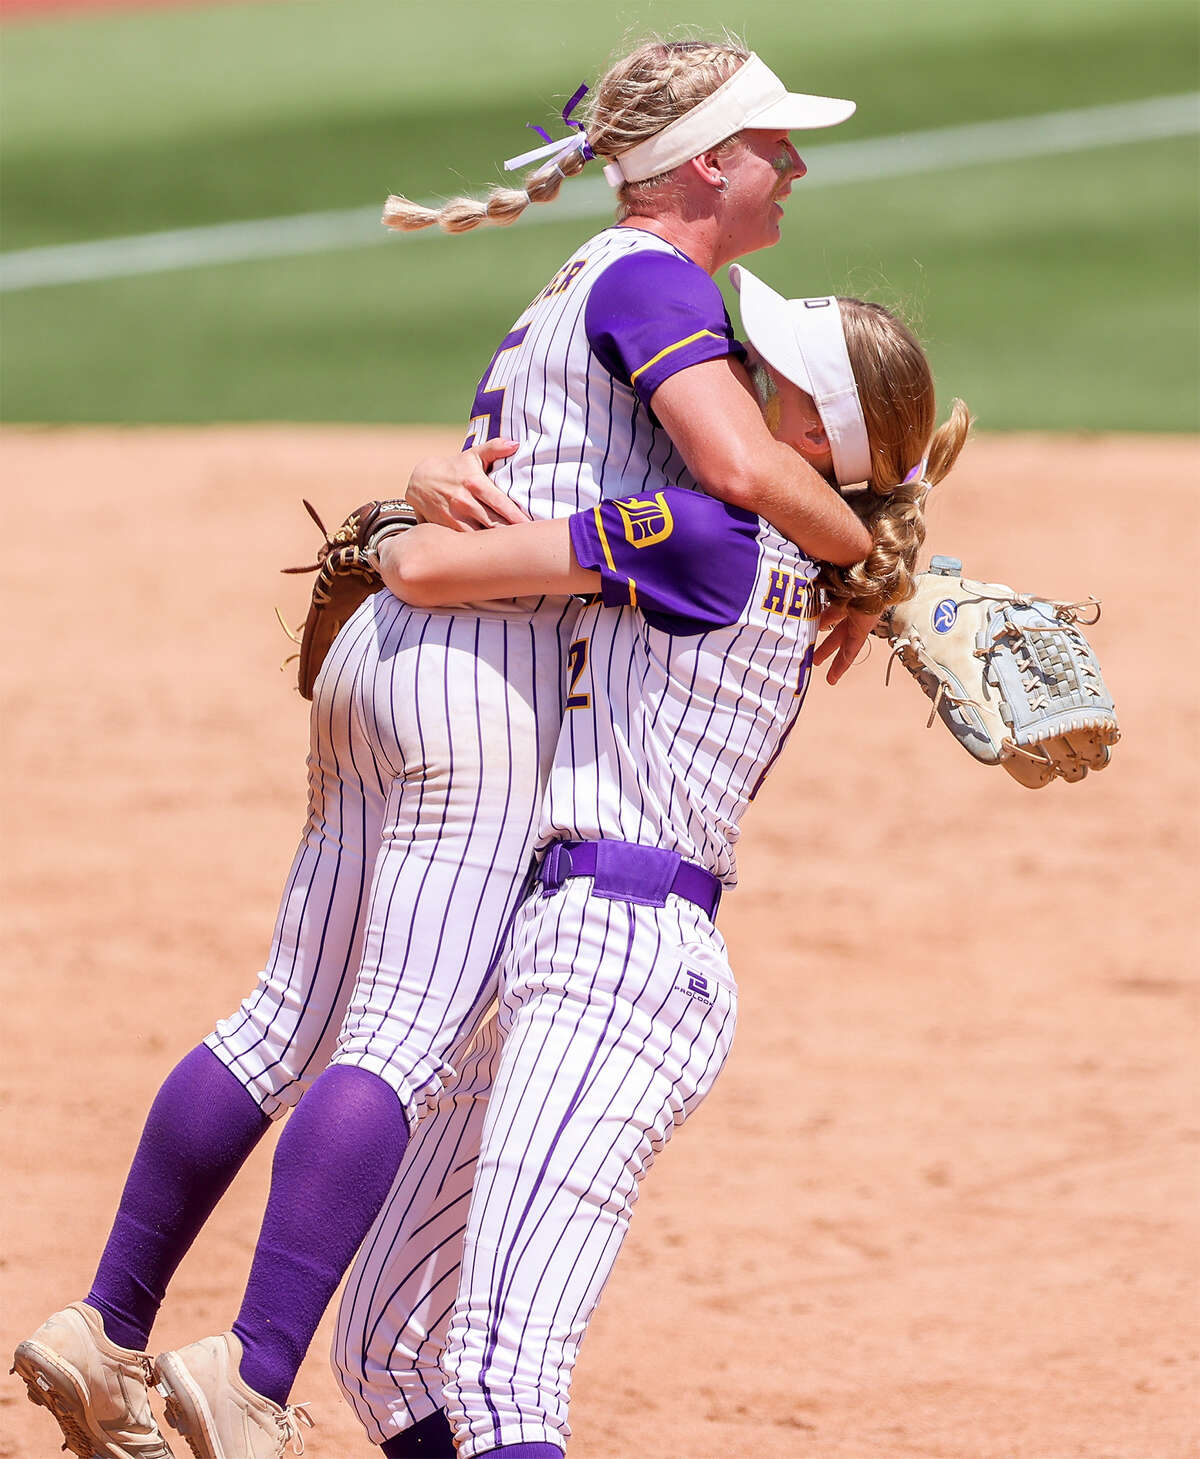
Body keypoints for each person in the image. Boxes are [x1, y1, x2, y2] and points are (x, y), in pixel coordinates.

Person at [13, 37, 869, 1459]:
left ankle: (103, 1324)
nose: (795, 166)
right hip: (483, 675)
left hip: (389, 662)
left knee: (284, 1013)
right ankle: (256, 1376)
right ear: (707, 159)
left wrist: (419, 509)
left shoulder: (567, 290)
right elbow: (736, 475)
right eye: (774, 143)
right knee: (400, 1033)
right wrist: (891, 560)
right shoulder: (660, 280)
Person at [328, 271, 972, 1457]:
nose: (724, 375)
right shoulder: (749, 533)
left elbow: (423, 572)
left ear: (807, 436)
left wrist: (390, 517)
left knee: (498, 1368)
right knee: (383, 1351)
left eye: (758, 374)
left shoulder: (705, 532)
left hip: (620, 962)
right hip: (541, 940)